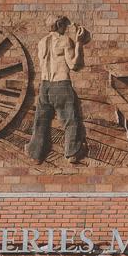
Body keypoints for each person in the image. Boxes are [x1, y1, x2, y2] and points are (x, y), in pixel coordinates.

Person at [27, 15, 87, 165]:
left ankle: (36, 154)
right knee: (70, 120)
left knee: (41, 120)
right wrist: (79, 42)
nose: (66, 28)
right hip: (61, 84)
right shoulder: (64, 40)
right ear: (59, 25)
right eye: (64, 25)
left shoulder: (41, 42)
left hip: (45, 85)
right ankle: (72, 153)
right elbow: (74, 65)